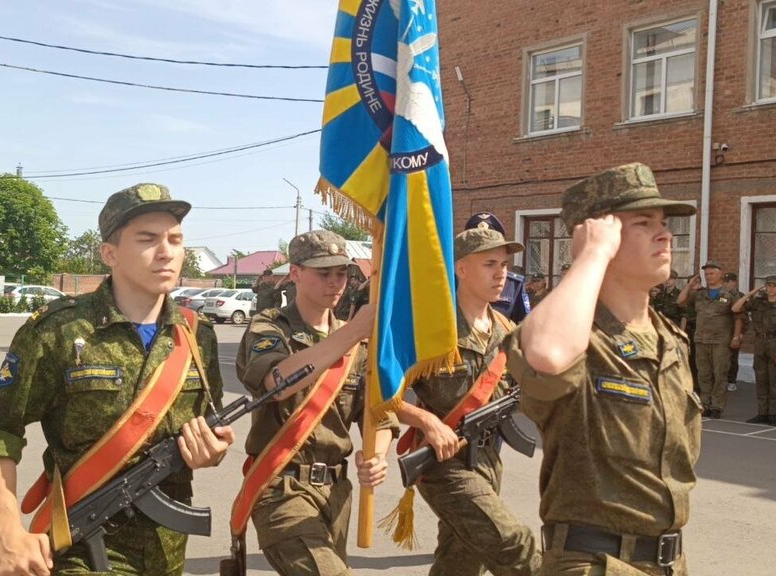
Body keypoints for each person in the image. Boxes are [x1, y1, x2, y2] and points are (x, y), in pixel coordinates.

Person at [0, 183, 235, 576]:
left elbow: (210, 428)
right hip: (81, 545)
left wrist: (213, 450)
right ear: (110, 254)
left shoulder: (196, 335)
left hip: (168, 551)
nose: (167, 252)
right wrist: (6, 532)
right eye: (148, 239)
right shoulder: (59, 330)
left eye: (176, 239)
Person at [507, 163, 700, 575]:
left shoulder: (671, 340)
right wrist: (592, 254)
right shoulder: (577, 334)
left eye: (664, 223)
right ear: (601, 234)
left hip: (669, 563)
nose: (666, 234)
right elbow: (547, 354)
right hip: (594, 563)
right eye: (644, 223)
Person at [233, 229, 397, 575]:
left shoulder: (358, 345)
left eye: (342, 273)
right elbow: (277, 382)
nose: (336, 282)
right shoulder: (270, 328)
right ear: (295, 273)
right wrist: (352, 332)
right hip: (281, 486)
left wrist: (378, 455)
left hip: (336, 492)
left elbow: (379, 417)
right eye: (324, 273)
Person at [395, 227, 541, 576]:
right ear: (461, 269)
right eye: (489, 263)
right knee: (512, 543)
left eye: (504, 264)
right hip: (442, 461)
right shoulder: (429, 328)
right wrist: (427, 422)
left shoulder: (506, 330)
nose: (501, 272)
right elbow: (383, 394)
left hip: (488, 460)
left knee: (461, 561)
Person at [678, 261, 742, 418]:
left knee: (720, 373)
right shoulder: (699, 293)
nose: (709, 276)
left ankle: (717, 406)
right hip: (701, 339)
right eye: (706, 274)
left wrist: (736, 336)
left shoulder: (730, 294)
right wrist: (690, 285)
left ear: (720, 274)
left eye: (712, 273)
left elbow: (739, 317)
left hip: (721, 340)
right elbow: (680, 302)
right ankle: (705, 403)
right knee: (703, 374)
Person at [732, 275, 776, 425]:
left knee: (774, 380)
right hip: (759, 342)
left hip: (775, 343)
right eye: (768, 285)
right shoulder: (758, 302)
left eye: (774, 286)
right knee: (761, 379)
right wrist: (752, 292)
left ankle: (772, 414)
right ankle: (762, 413)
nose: (771, 288)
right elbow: (735, 308)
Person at [723, 272, 745, 391]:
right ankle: (722, 380)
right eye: (726, 282)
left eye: (730, 281)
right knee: (721, 357)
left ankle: (731, 380)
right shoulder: (722, 295)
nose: (728, 284)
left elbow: (743, 316)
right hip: (722, 330)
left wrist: (741, 332)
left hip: (735, 330)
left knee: (733, 357)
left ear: (734, 282)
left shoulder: (741, 296)